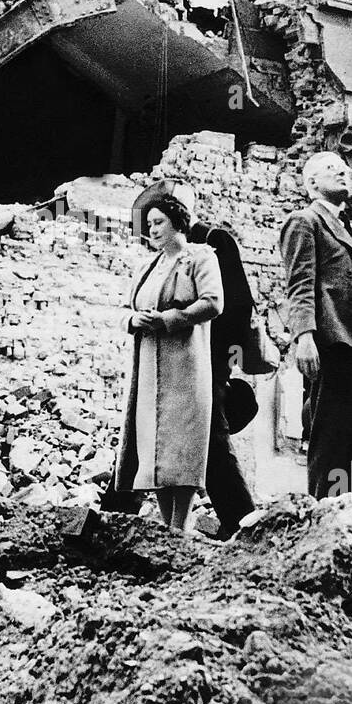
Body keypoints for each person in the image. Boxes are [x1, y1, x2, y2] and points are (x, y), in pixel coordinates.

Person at [114, 194, 224, 533]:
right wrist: (134, 321)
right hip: (148, 369)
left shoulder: (200, 257)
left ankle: (180, 526)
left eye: (159, 222)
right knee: (155, 449)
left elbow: (213, 303)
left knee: (183, 445)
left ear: (178, 221)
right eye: (148, 225)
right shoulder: (148, 265)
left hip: (185, 366)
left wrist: (170, 318)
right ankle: (166, 527)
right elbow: (123, 309)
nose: (153, 230)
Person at [279, 151, 352, 501]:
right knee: (332, 439)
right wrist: (303, 337)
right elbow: (299, 283)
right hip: (334, 343)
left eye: (343, 168)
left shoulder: (351, 227)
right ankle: (324, 517)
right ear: (312, 184)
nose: (341, 171)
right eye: (329, 168)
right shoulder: (305, 220)